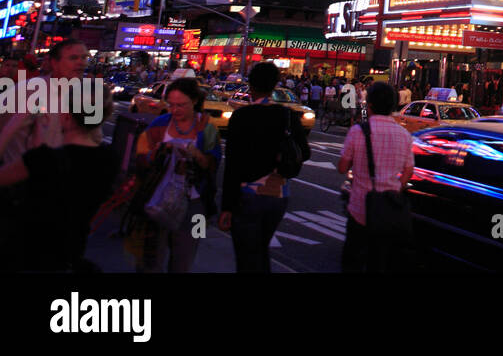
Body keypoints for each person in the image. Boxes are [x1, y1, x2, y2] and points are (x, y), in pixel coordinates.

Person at [219, 62, 312, 272]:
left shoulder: (242, 117)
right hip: (278, 194)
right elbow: (304, 152)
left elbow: (232, 165)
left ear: (251, 86)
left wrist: (226, 206)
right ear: (275, 85)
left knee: (246, 256)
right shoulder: (287, 115)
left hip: (247, 193)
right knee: (261, 249)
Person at [0, 102, 115, 271]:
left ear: (67, 117)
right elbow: (50, 167)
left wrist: (13, 125)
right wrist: (40, 128)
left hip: (29, 253)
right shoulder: (109, 159)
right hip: (69, 255)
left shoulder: (43, 160)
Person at [130, 78, 222, 272]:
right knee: (150, 260)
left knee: (185, 260)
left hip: (196, 205)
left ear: (195, 101)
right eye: (171, 105)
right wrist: (155, 154)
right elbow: (139, 158)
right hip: (157, 198)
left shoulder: (208, 129)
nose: (175, 110)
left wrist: (195, 155)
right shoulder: (158, 124)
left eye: (181, 105)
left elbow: (213, 166)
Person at [338, 82, 414, 273]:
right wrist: (397, 186)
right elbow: (408, 169)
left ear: (369, 105)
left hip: (360, 209)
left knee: (353, 261)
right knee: (379, 262)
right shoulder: (404, 135)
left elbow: (342, 167)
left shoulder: (358, 131)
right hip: (388, 211)